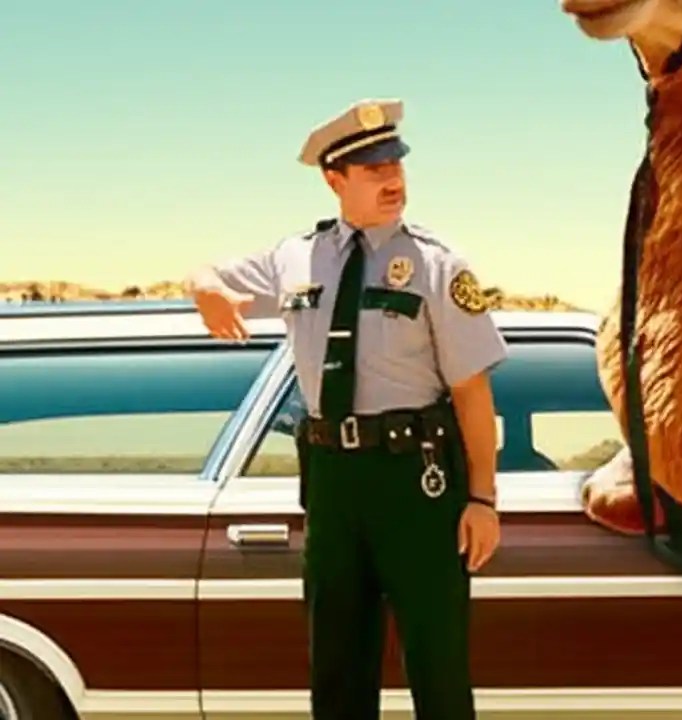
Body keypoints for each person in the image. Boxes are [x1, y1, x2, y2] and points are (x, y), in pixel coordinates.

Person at [185, 98, 506, 719]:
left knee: (437, 669)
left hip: (418, 481)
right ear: (335, 180)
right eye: (374, 169)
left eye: (397, 164)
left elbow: (471, 391)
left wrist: (483, 499)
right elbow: (204, 271)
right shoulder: (296, 257)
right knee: (336, 668)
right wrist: (208, 290)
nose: (393, 180)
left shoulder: (438, 265)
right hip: (332, 483)